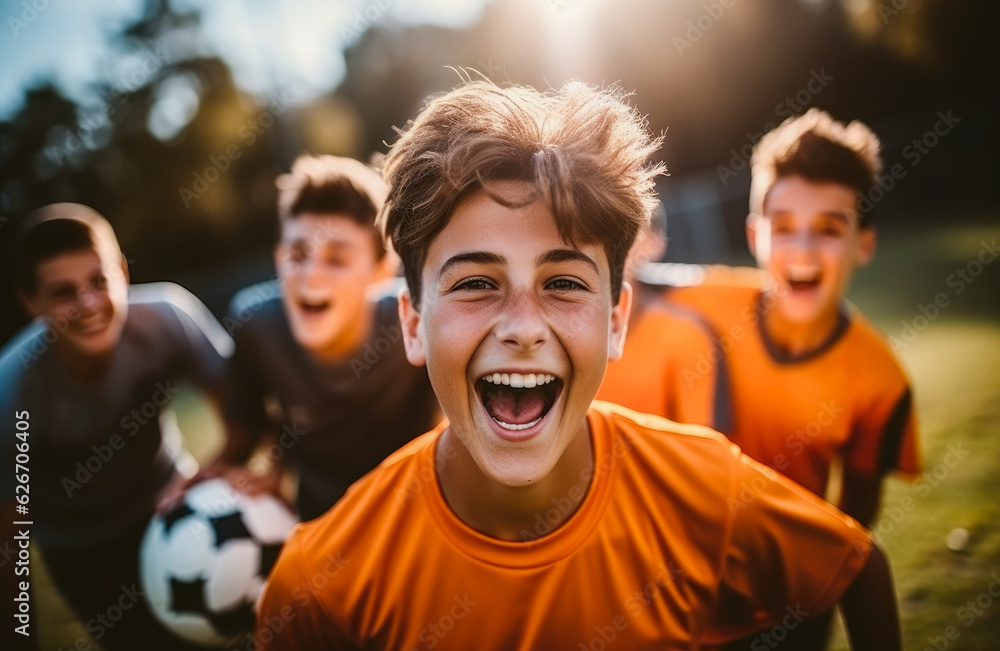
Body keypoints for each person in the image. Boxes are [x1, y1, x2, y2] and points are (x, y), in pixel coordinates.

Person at [253, 80, 902, 650]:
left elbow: (857, 563)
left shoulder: (702, 486)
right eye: (476, 282)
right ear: (413, 322)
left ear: (615, 318)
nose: (523, 327)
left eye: (563, 283)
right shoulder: (319, 579)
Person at [666, 109, 921, 528]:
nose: (803, 249)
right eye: (783, 227)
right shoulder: (697, 303)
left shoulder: (881, 379)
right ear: (754, 237)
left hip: (784, 580)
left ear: (865, 244)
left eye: (828, 229)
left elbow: (853, 525)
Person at [0, 203, 232, 650]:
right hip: (83, 554)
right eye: (64, 292)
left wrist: (219, 473)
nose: (88, 304)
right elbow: (9, 544)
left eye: (98, 280)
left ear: (123, 272)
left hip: (173, 508)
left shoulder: (169, 318)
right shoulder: (13, 395)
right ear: (31, 303)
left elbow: (241, 409)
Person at [194, 155, 439, 521]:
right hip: (318, 528)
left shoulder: (420, 318)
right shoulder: (256, 325)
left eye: (336, 259)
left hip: (416, 520)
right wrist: (213, 475)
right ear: (278, 258)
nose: (311, 274)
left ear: (380, 271)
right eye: (298, 254)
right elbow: (245, 433)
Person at [596, 204, 731, 430]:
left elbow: (702, 450)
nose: (601, 239)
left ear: (654, 242)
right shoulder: (546, 333)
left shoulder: (685, 335)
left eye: (620, 225)